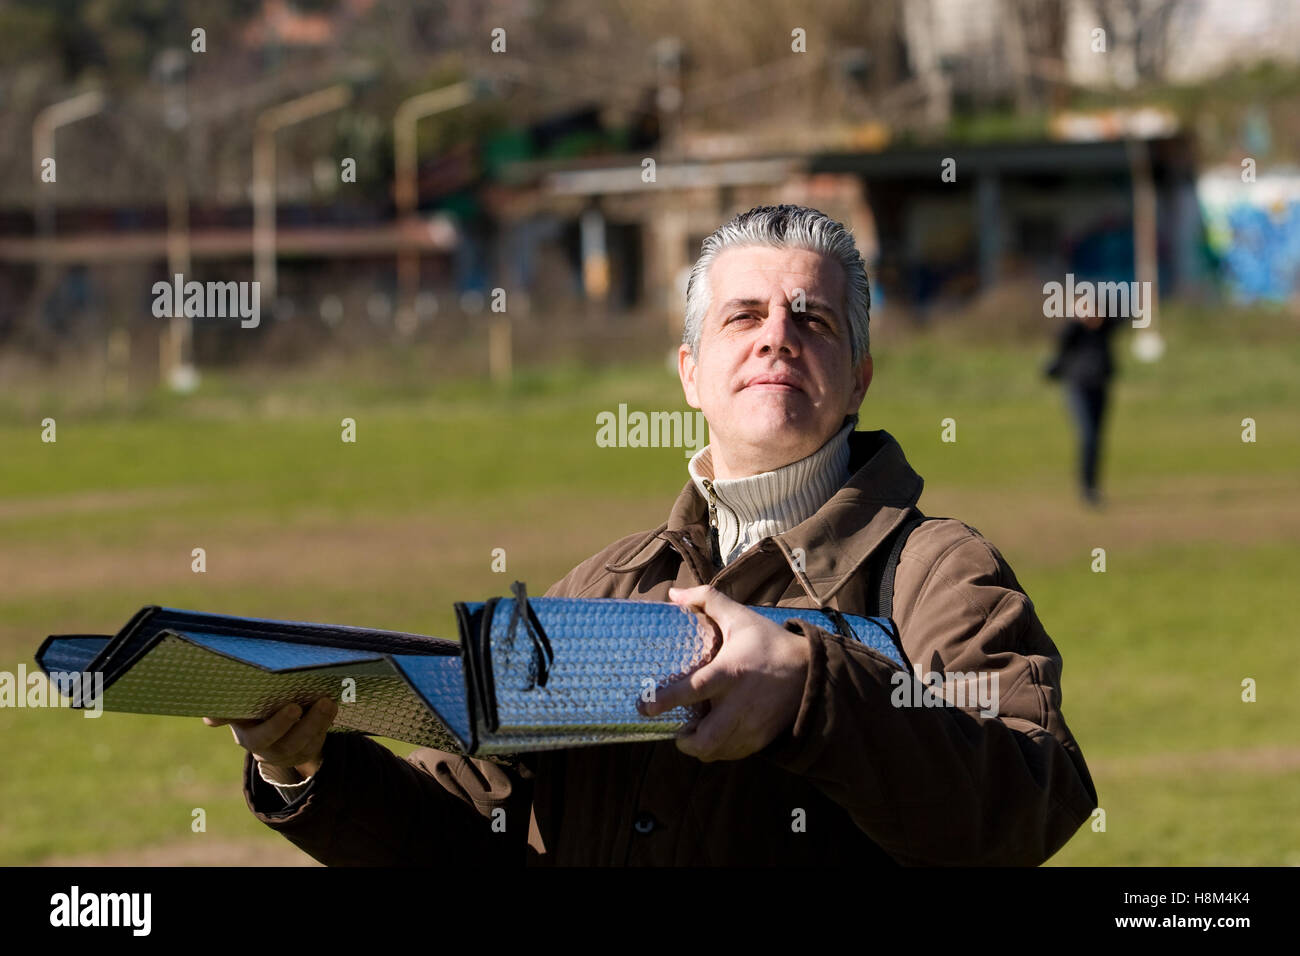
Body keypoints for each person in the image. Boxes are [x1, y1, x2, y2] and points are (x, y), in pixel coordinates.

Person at [207, 204, 1097, 865]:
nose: (777, 338)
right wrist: (308, 767)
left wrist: (809, 688)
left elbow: (1027, 806)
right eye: (743, 316)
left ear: (859, 378)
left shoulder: (940, 571)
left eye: (813, 320)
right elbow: (468, 838)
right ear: (689, 372)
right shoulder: (597, 586)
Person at [1045, 293, 1120, 506]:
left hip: (1100, 387)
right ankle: (1086, 488)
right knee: (1087, 436)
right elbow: (1061, 342)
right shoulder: (1074, 330)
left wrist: (1102, 315)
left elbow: (1125, 318)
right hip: (1077, 388)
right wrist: (1077, 319)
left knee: (1096, 438)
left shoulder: (1105, 328)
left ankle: (1093, 485)